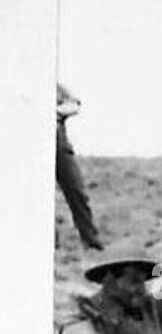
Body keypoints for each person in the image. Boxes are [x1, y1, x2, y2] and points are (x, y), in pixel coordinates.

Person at [55, 84, 104, 249]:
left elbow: (74, 104)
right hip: (29, 144)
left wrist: (54, 112)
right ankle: (49, 243)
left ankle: (91, 241)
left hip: (57, 142)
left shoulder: (52, 82)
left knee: (76, 191)